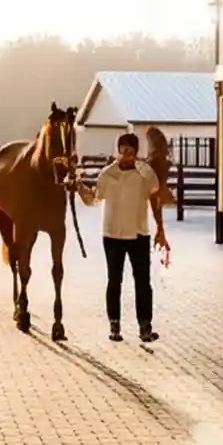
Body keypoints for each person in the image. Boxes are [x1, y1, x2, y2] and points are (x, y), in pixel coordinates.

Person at [78, 132, 170, 343]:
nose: (126, 154)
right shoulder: (107, 174)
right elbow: (94, 198)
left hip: (138, 233)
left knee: (143, 282)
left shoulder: (144, 173)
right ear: (117, 150)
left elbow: (155, 188)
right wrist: (79, 188)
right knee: (114, 280)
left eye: (131, 150)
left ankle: (145, 325)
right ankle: (114, 324)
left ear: (136, 152)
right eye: (123, 149)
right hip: (112, 235)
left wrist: (160, 228)